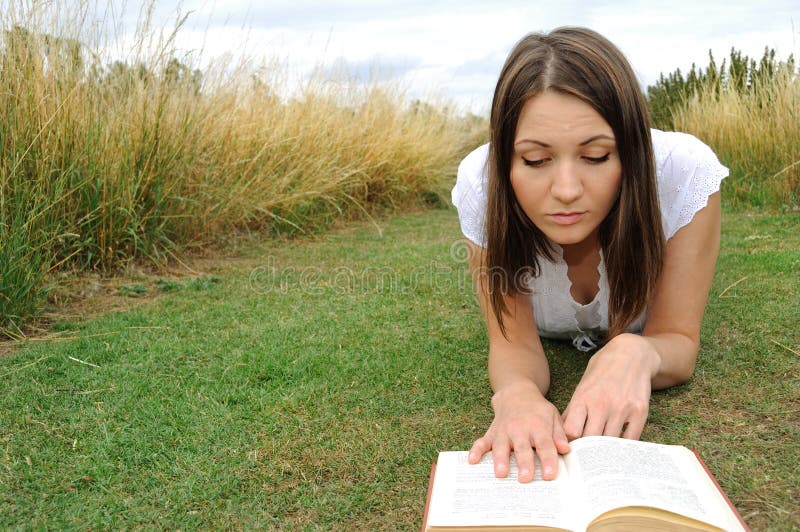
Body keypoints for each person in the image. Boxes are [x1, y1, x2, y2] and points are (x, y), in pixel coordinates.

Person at [451, 27, 728, 483]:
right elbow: (512, 343)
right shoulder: (482, 184)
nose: (566, 190)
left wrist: (637, 351)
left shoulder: (682, 173)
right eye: (536, 161)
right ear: (506, 160)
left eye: (597, 156)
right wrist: (517, 395)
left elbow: (677, 338)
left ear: (632, 152)